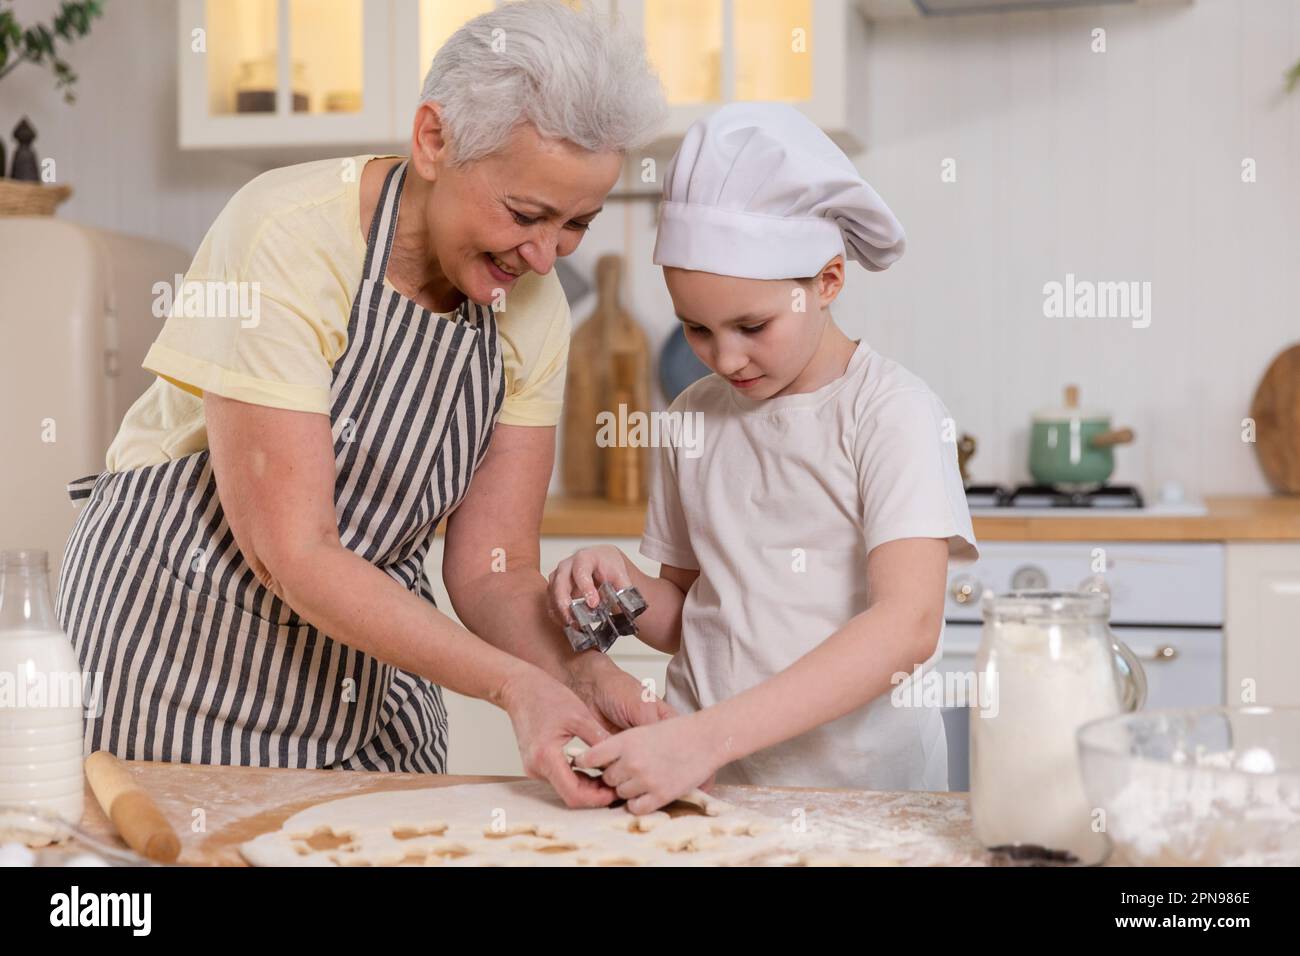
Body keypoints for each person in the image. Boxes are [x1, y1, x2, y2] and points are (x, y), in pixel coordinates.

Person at [56, 0, 667, 807]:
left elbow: (496, 570)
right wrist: (514, 688)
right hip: (178, 644)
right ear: (433, 139)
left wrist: (582, 674)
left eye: (577, 225)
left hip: (367, 663)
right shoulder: (287, 235)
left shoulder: (532, 309)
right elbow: (293, 551)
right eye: (525, 214)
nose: (546, 256)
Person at [548, 103, 980, 813]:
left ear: (828, 282)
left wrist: (706, 739)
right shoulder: (692, 418)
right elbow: (692, 612)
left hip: (860, 797)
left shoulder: (890, 412)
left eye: (752, 325)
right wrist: (621, 588)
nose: (725, 357)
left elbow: (908, 627)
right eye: (697, 329)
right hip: (712, 790)